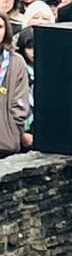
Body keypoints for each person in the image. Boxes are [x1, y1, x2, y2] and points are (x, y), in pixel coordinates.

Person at [0, 15, 30, 157]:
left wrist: (14, 129)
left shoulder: (16, 62)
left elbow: (20, 104)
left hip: (6, 141)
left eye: (0, 27)